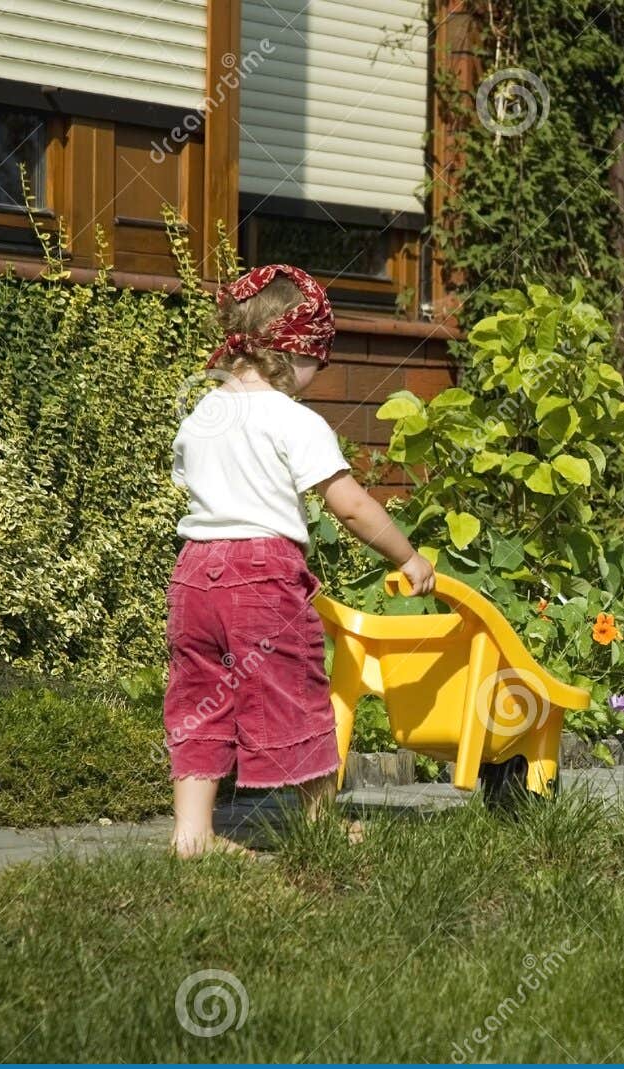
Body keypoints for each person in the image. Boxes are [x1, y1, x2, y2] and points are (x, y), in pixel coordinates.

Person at [163, 264, 434, 857]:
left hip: (193, 574)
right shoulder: (295, 421)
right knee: (294, 690)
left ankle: (192, 834)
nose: (318, 375)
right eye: (319, 360)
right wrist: (408, 555)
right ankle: (317, 824)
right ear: (293, 353)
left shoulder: (202, 415)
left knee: (197, 696)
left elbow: (193, 484)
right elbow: (353, 508)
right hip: (260, 576)